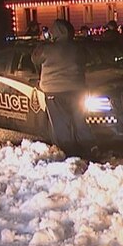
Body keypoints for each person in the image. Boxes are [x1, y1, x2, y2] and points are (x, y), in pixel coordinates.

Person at [30, 18, 95, 158]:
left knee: (60, 123)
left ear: (55, 32)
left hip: (54, 91)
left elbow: (34, 59)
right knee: (79, 119)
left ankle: (67, 152)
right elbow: (87, 58)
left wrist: (43, 42)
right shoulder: (78, 48)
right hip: (77, 90)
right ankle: (88, 148)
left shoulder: (47, 49)